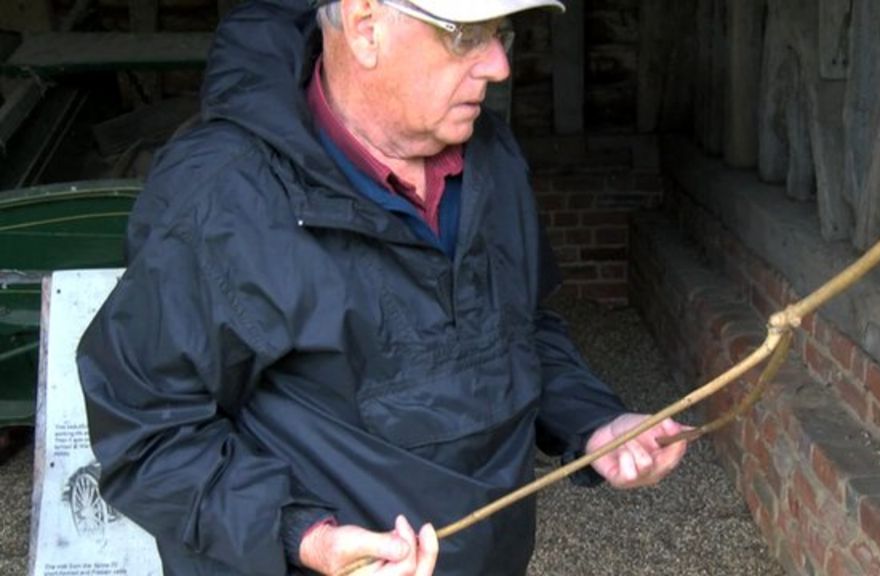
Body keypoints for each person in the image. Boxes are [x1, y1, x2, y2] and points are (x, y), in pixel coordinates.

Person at [76, 0, 689, 574]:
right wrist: (306, 537)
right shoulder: (224, 196)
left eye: (500, 33)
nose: (500, 65)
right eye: (466, 35)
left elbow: (518, 325)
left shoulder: (491, 159)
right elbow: (146, 432)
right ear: (366, 25)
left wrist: (596, 424)